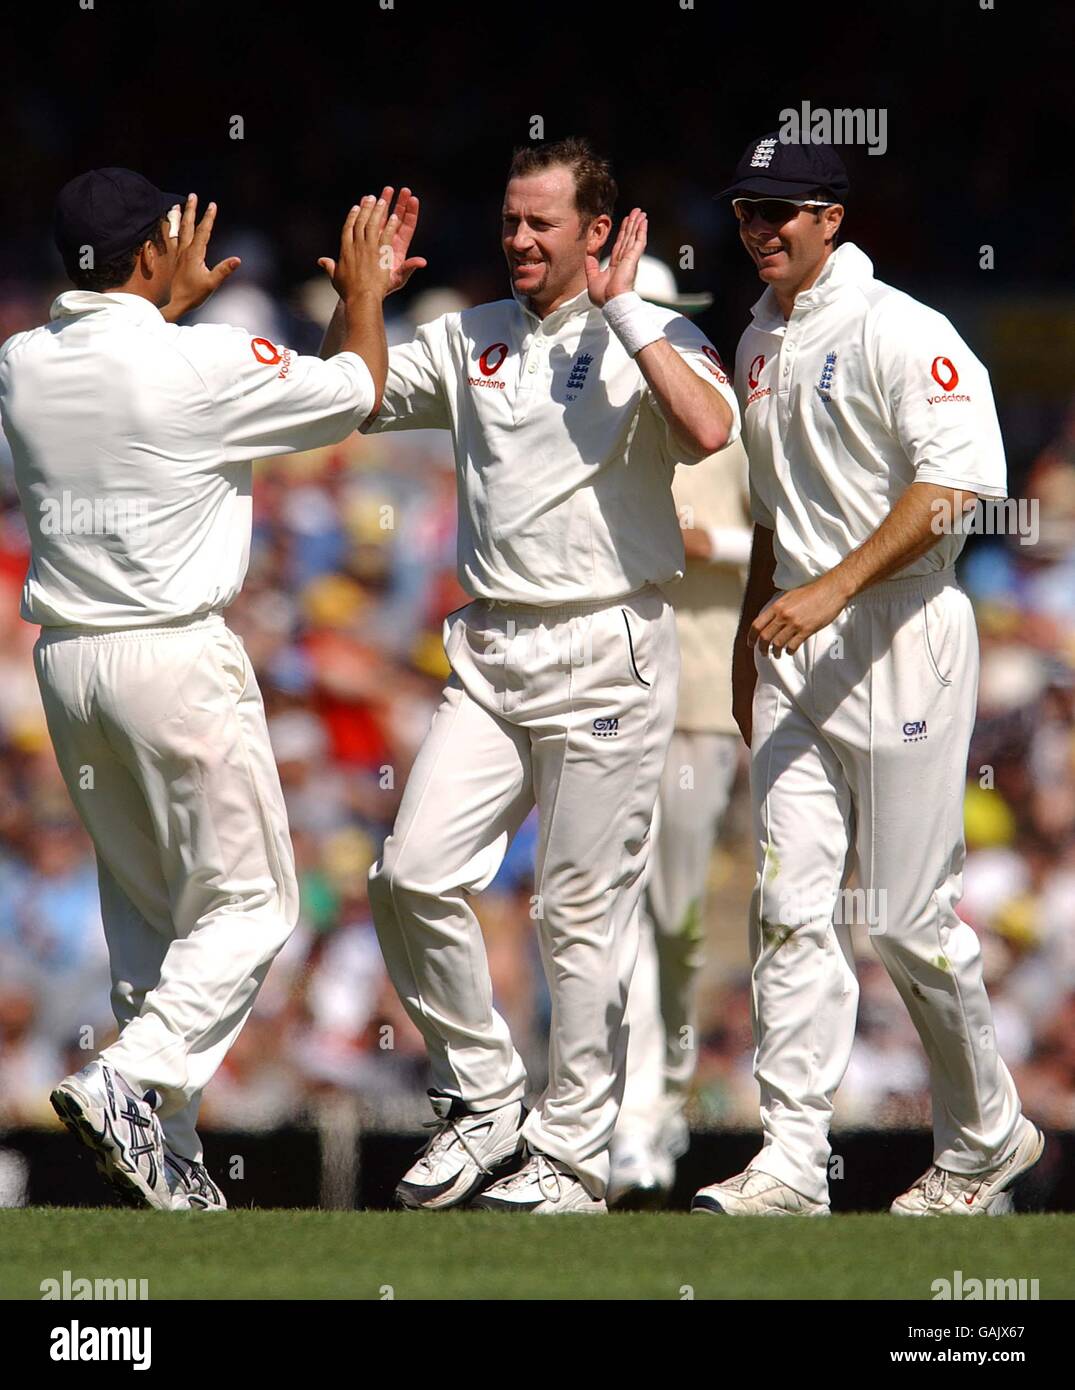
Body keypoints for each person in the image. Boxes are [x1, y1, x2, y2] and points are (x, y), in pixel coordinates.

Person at [322, 137, 740, 1213]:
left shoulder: (657, 331)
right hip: (494, 648)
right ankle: (482, 1096)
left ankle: (569, 1154)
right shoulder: (471, 336)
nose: (518, 239)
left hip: (610, 645)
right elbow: (355, 399)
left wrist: (625, 313)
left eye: (542, 222)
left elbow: (707, 427)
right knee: (411, 872)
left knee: (577, 914)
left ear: (598, 231)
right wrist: (362, 297)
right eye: (511, 220)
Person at [0, 168, 404, 1209]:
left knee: (151, 915)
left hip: (71, 668)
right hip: (173, 657)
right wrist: (363, 294)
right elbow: (354, 392)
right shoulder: (203, 362)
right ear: (150, 256)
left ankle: (168, 1163)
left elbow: (116, 363)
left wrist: (154, 300)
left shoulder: (21, 365)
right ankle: (134, 1081)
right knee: (252, 901)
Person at [691, 135, 1042, 1217]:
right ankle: (792, 1159)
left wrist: (833, 589)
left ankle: (986, 1136)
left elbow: (951, 493)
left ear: (831, 218)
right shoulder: (756, 337)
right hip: (796, 642)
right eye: (748, 212)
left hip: (901, 635)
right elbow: (766, 517)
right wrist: (755, 636)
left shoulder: (905, 330)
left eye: (781, 213)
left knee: (900, 916)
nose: (760, 231)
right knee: (788, 904)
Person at [607, 256, 751, 1208]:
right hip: (612, 691)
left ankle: (656, 1106)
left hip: (697, 702)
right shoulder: (600, 421)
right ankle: (615, 1113)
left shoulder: (719, 420)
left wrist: (704, 544)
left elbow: (744, 540)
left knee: (670, 913)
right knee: (600, 910)